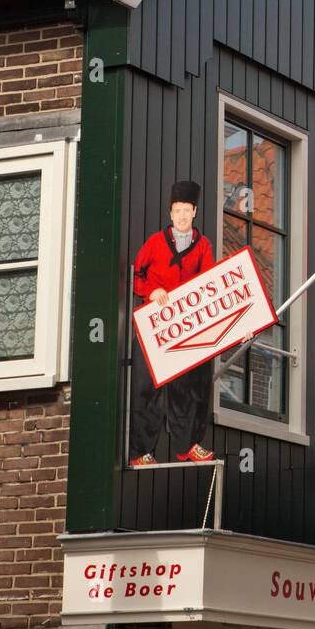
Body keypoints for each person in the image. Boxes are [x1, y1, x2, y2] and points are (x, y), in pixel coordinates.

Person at [130, 180, 216, 467]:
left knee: (191, 387)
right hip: (153, 327)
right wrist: (150, 292)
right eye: (176, 211)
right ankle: (142, 451)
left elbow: (211, 285)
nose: (181, 216)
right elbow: (135, 276)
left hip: (185, 328)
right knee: (147, 389)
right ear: (170, 213)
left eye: (186, 211)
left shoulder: (203, 247)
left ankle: (188, 444)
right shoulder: (154, 244)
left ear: (194, 212)